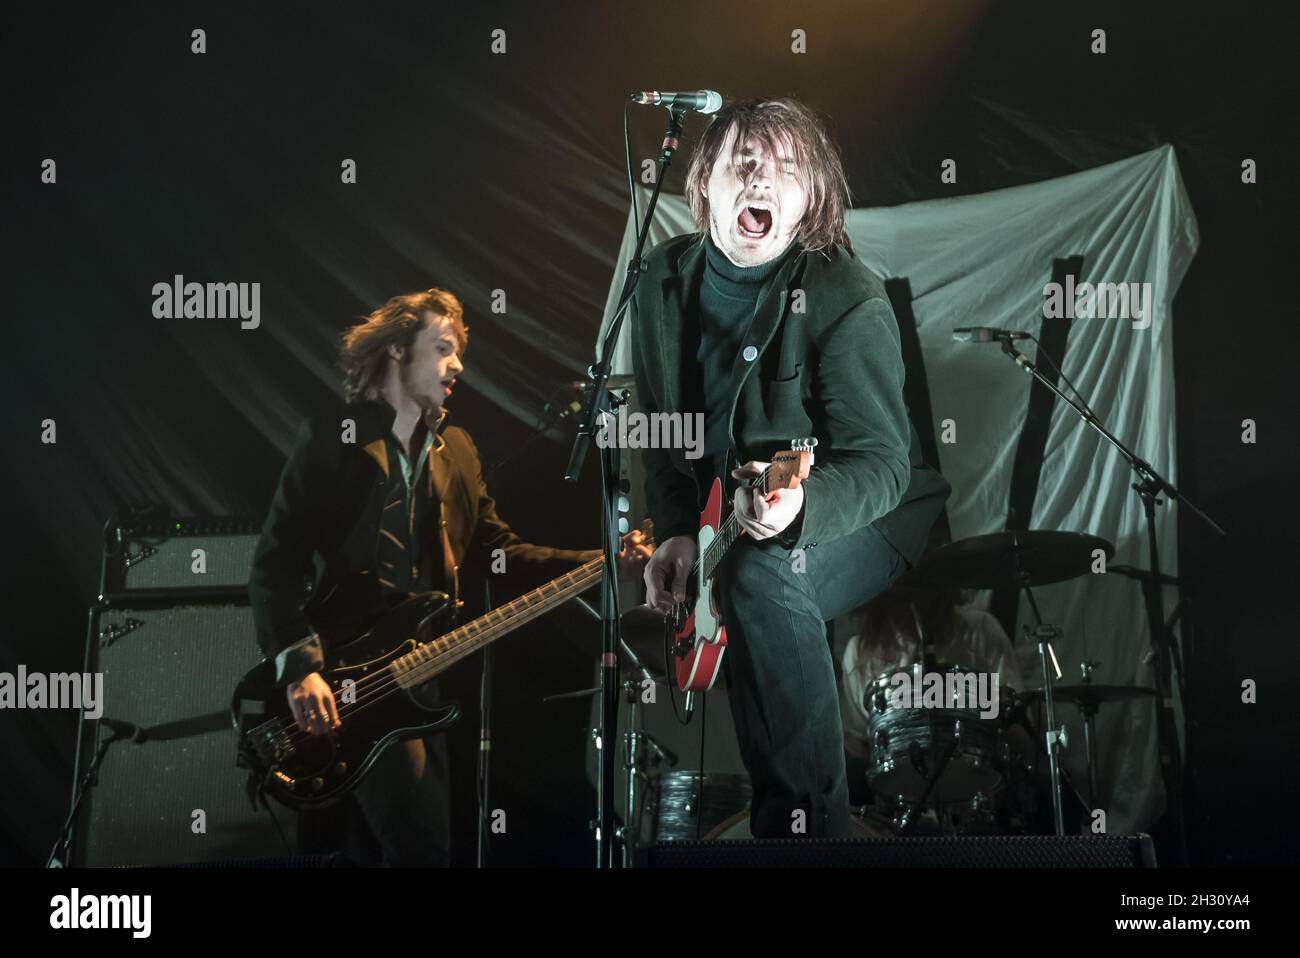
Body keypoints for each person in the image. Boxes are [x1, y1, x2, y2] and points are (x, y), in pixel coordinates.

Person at [633, 98, 950, 839]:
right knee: (745, 582)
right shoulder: (659, 284)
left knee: (760, 572)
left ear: (811, 197)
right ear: (704, 181)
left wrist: (796, 512)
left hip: (871, 511)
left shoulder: (845, 296)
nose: (762, 182)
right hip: (741, 517)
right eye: (744, 164)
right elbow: (662, 430)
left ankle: (811, 831)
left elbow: (880, 461)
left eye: (786, 170)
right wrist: (677, 530)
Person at [248, 287, 639, 866]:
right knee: (418, 849)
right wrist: (301, 670)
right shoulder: (336, 437)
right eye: (444, 348)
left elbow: (497, 552)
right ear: (399, 351)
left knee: (374, 853)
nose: (458, 365)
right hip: (342, 682)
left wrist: (601, 562)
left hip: (421, 683)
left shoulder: (454, 450)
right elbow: (275, 562)